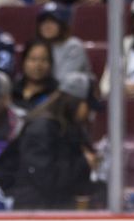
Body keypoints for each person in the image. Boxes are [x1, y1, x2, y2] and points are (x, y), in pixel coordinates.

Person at [14, 72, 94, 209]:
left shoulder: (70, 127)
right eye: (89, 106)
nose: (90, 113)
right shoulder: (41, 129)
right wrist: (84, 163)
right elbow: (47, 180)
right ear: (77, 102)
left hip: (56, 207)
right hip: (35, 212)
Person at [35, 3, 91, 84]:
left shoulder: (73, 46)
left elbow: (63, 82)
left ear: (63, 25)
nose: (47, 26)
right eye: (43, 22)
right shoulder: (38, 47)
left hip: (71, 95)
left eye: (52, 21)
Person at [12, 40, 58, 114]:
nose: (38, 65)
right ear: (23, 61)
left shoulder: (57, 93)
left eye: (44, 60)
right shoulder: (11, 90)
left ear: (51, 63)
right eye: (33, 59)